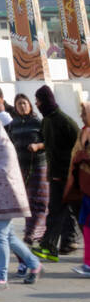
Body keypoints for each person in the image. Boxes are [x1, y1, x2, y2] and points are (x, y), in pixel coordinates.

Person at [0, 111, 41, 289]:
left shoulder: (3, 146)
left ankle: (1, 278)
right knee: (8, 236)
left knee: (0, 236)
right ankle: (34, 264)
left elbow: (3, 171)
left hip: (6, 198)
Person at [34, 85, 80, 262]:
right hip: (55, 176)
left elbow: (79, 147)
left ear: (46, 101)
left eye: (38, 101)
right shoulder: (45, 121)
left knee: (79, 213)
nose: (36, 104)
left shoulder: (65, 121)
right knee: (55, 211)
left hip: (69, 177)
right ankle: (49, 246)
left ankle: (49, 245)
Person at [7, 92, 49, 246]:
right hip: (22, 167)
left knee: (40, 200)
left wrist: (38, 146)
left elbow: (48, 142)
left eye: (25, 103)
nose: (22, 106)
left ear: (30, 105)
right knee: (28, 201)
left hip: (39, 165)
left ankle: (32, 232)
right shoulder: (13, 124)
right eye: (19, 104)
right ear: (16, 108)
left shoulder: (38, 122)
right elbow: (9, 144)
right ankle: (33, 230)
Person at [63, 100, 90, 277]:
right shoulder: (84, 131)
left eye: (83, 113)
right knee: (86, 224)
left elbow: (81, 155)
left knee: (87, 224)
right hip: (85, 186)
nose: (81, 117)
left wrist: (83, 157)